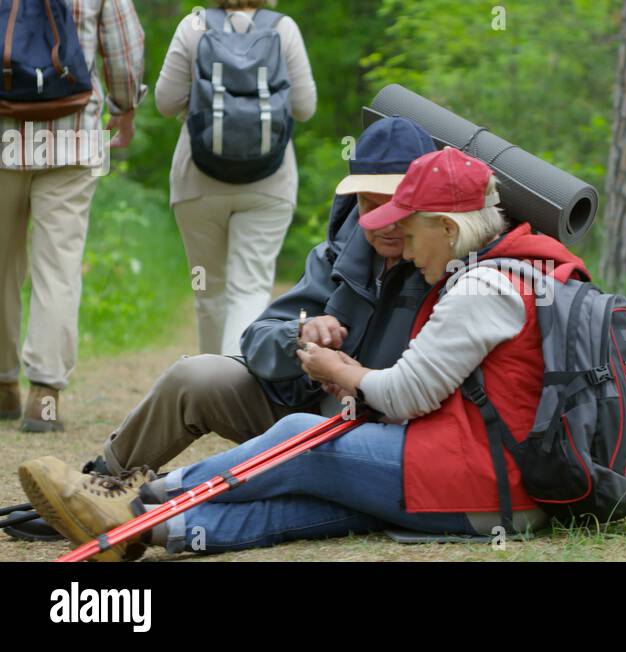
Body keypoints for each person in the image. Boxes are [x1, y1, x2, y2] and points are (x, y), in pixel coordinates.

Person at [18, 147, 590, 560]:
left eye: (410, 229)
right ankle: (147, 533)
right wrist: (301, 342)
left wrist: (342, 372)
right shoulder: (501, 269)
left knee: (303, 445)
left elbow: (403, 395)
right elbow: (266, 336)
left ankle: (140, 503)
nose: (401, 242)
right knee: (308, 510)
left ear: (444, 225)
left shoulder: (480, 285)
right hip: (495, 486)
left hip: (473, 475)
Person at [4, 117, 437, 542]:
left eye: (396, 205)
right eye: (368, 204)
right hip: (295, 408)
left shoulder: (444, 260)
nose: (384, 221)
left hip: (364, 436)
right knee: (195, 375)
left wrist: (352, 378)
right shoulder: (338, 254)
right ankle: (98, 486)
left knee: (283, 449)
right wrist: (299, 336)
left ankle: (135, 512)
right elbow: (256, 338)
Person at [0, 0, 146, 433]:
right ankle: (44, 395)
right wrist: (125, 107)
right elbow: (124, 47)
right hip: (73, 137)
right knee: (58, 267)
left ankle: (3, 384)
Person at [154, 0, 317, 356]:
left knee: (209, 291)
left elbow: (165, 103)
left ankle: (208, 387)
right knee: (250, 288)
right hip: (269, 183)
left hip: (197, 180)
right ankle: (235, 383)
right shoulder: (282, 28)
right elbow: (305, 107)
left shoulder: (193, 27)